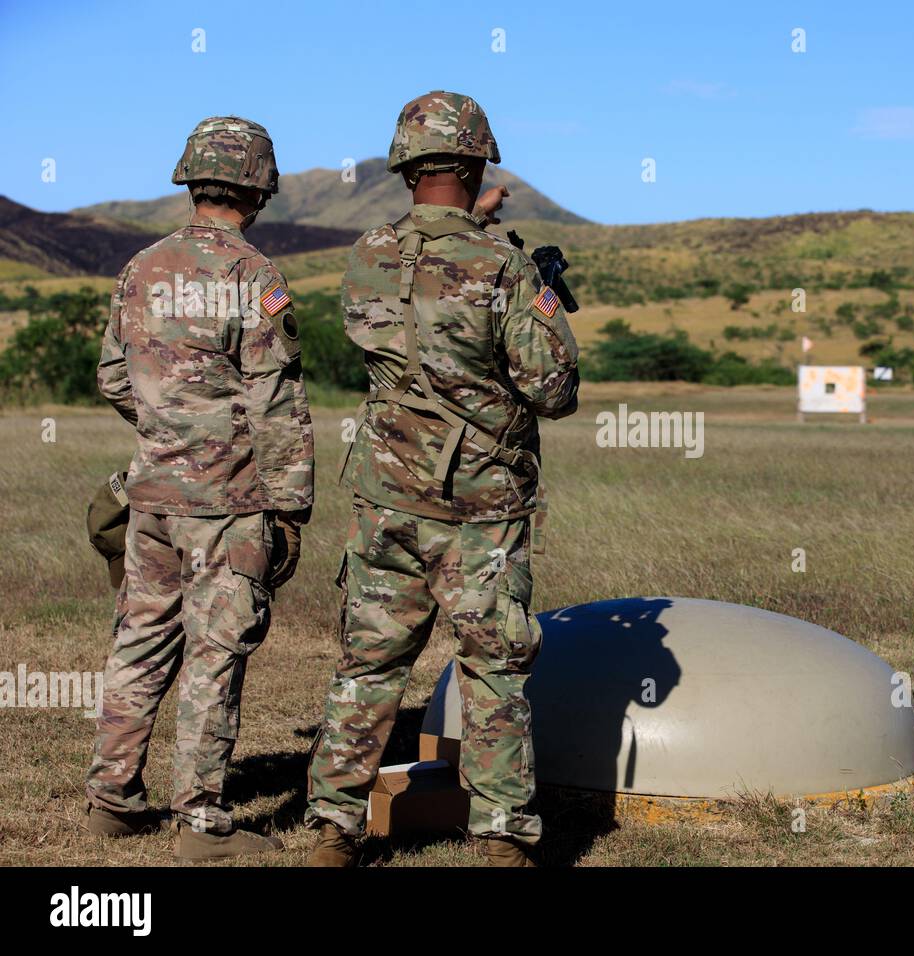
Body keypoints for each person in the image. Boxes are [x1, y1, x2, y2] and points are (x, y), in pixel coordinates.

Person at [305, 91, 579, 867]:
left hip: (386, 496)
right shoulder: (506, 270)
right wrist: (546, 295)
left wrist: (478, 228)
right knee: (493, 669)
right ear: (474, 162)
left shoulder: (365, 255)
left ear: (406, 168)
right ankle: (499, 837)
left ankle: (333, 826)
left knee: (368, 663)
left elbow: (427, 289)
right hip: (478, 508)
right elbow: (552, 391)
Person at [86, 117, 315, 861]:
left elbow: (113, 374)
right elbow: (274, 397)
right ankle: (201, 822)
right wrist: (289, 502)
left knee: (140, 641)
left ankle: (112, 800)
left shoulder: (141, 266)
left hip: (151, 493)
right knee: (216, 653)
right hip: (228, 503)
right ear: (259, 186)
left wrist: (166, 426)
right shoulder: (253, 274)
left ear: (192, 178)